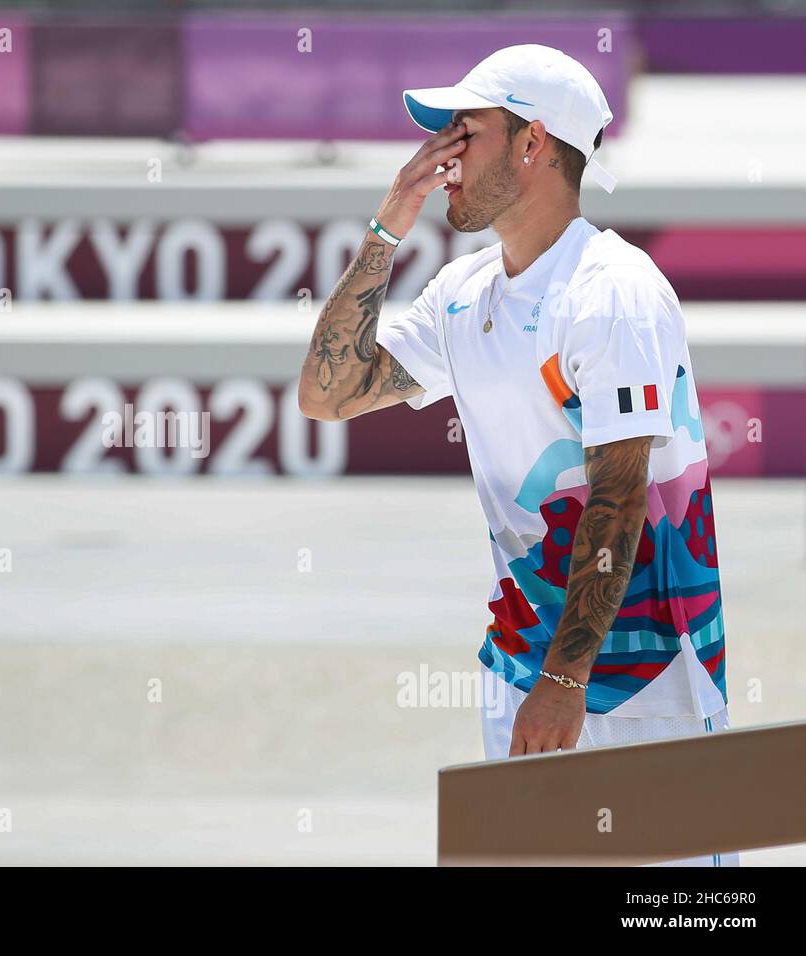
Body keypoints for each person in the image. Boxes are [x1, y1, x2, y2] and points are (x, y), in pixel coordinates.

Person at [298, 45, 732, 865]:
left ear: (533, 144)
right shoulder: (464, 294)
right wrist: (389, 223)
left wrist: (565, 684)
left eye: (467, 128)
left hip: (646, 696)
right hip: (522, 683)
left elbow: (620, 497)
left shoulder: (613, 291)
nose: (444, 154)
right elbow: (329, 393)